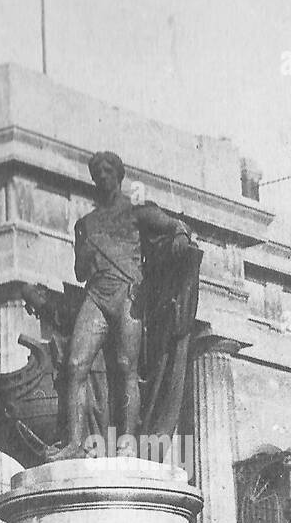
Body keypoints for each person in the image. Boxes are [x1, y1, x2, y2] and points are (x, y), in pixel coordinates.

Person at [47, 150, 194, 459]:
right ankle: (74, 443)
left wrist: (180, 237)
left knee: (126, 366)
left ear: (118, 175)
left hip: (129, 293)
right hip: (97, 293)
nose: (102, 175)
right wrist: (85, 257)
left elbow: (176, 226)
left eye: (107, 170)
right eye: (97, 171)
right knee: (75, 365)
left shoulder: (137, 212)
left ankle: (127, 441)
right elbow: (78, 271)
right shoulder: (85, 224)